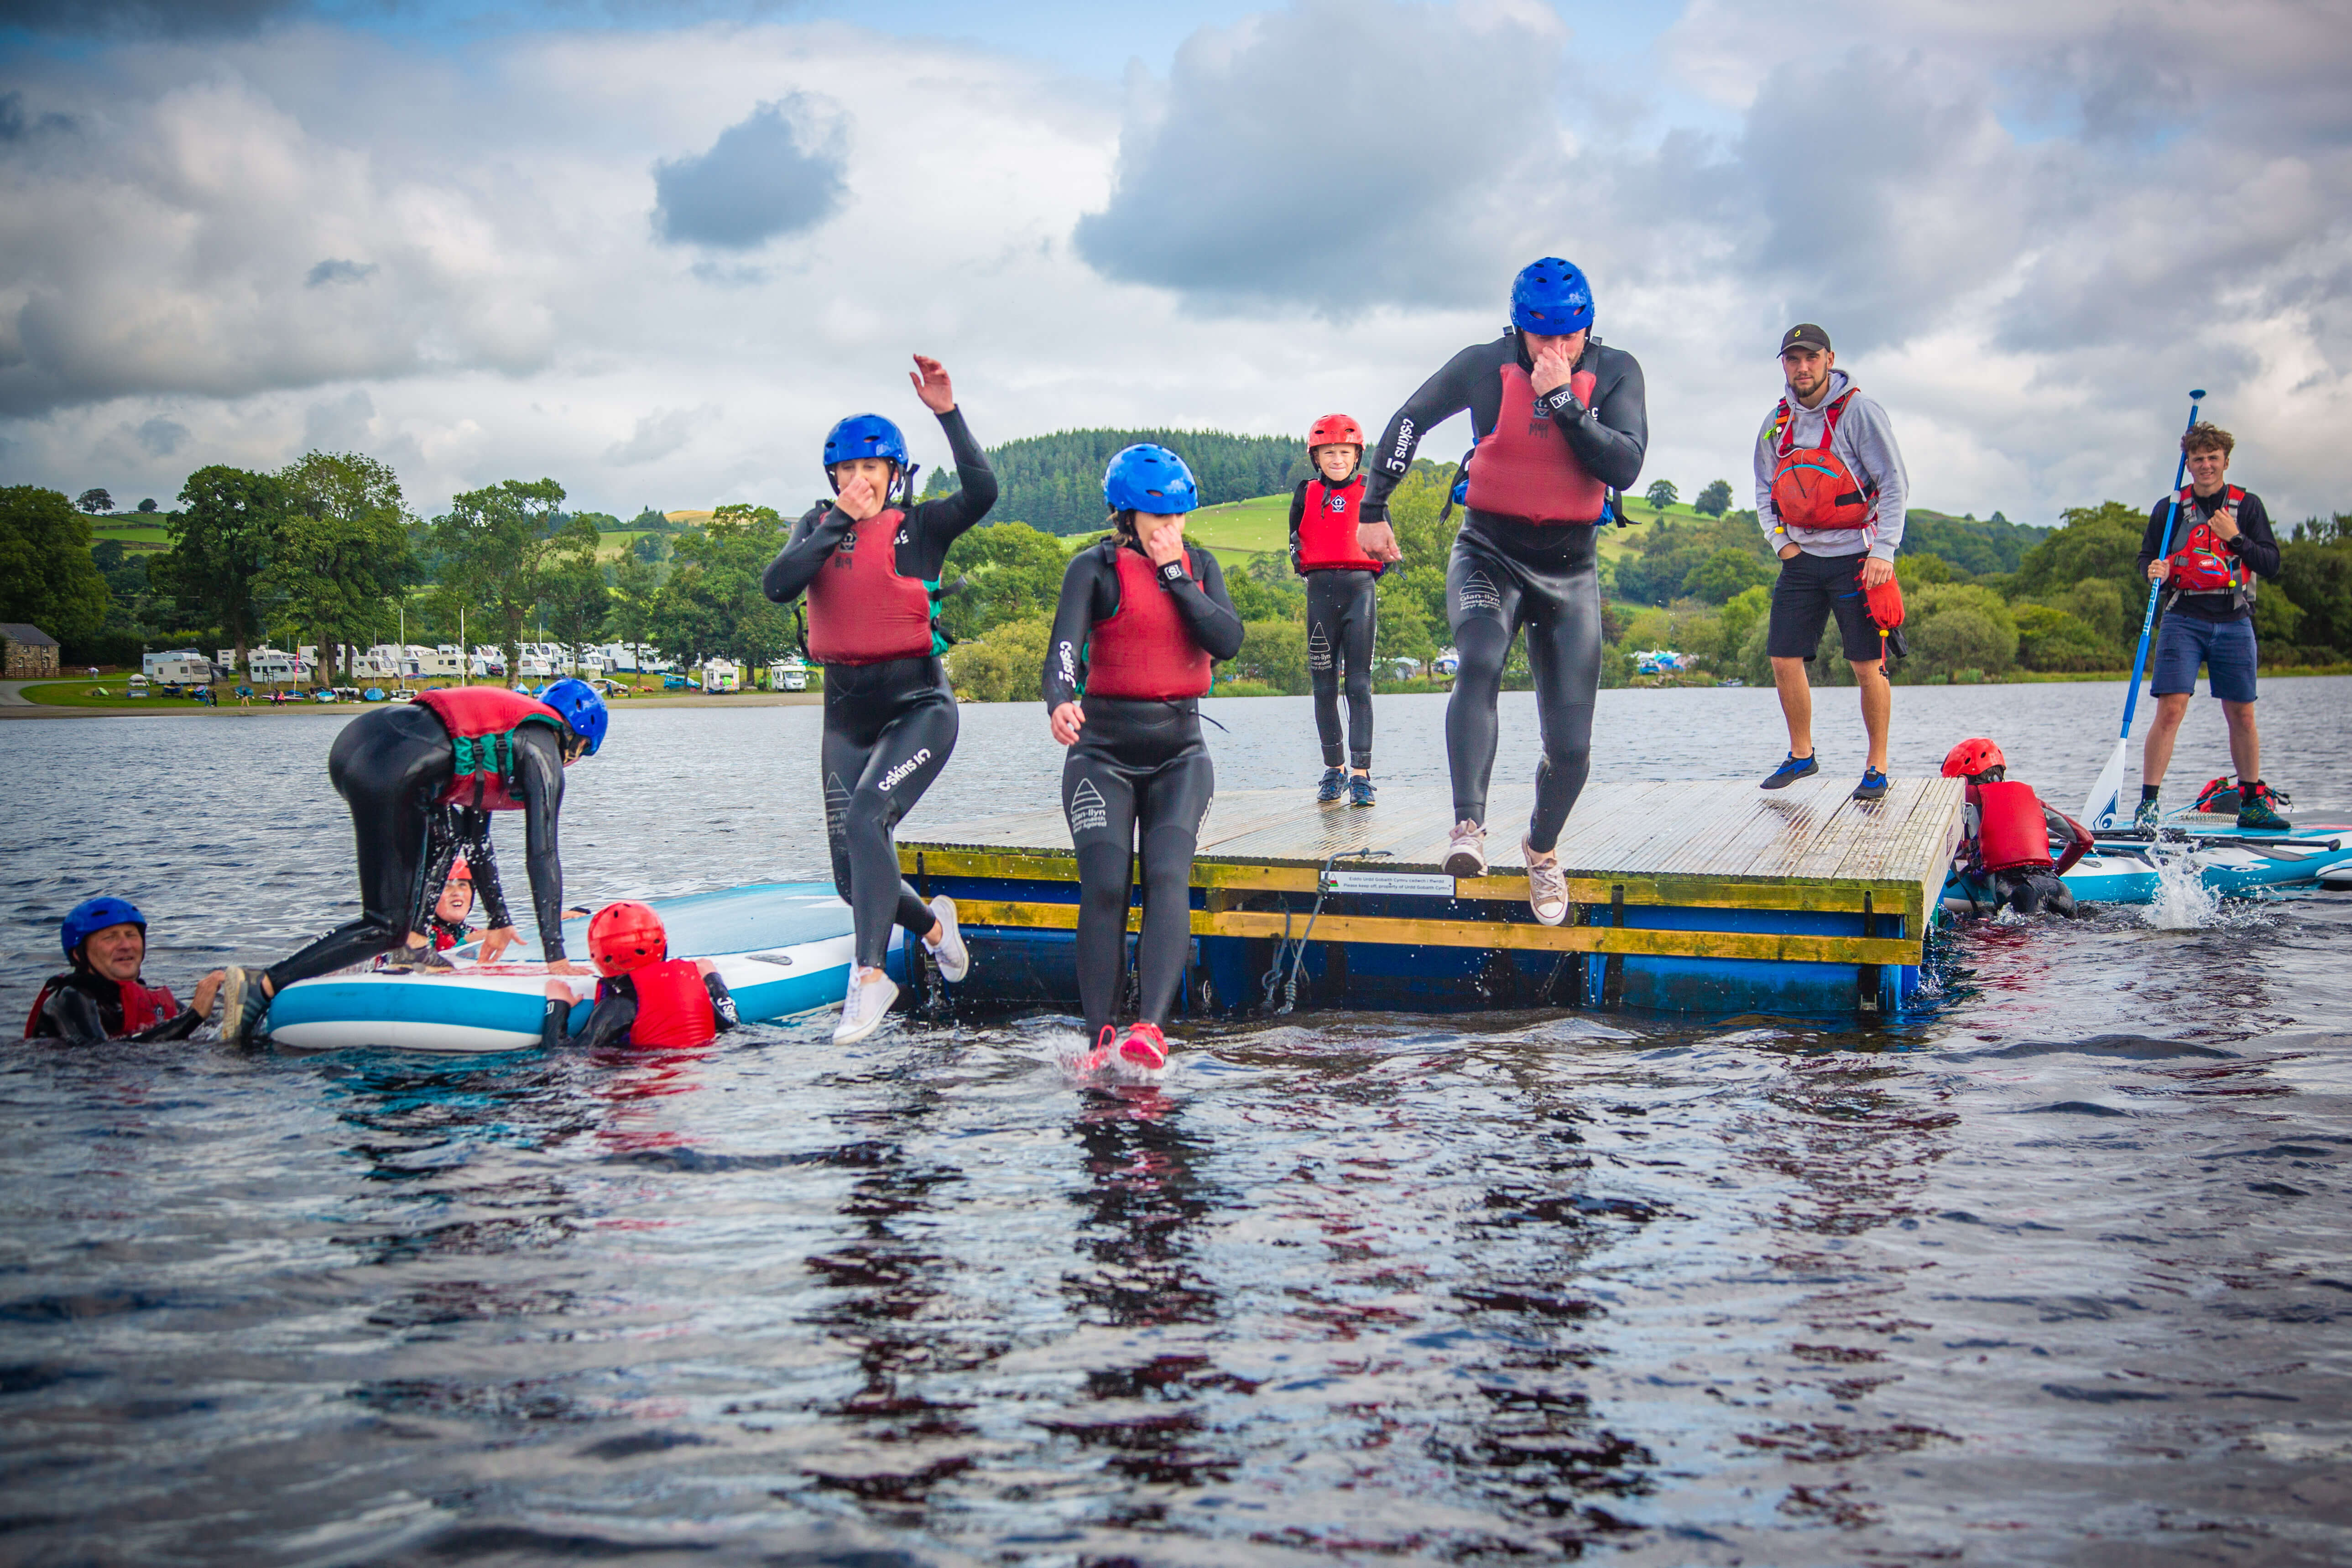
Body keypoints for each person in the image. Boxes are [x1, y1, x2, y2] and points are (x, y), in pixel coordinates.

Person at [1355, 257, 1644, 924]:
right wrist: (1372, 509)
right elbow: (1408, 419)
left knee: (1570, 748)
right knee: (1479, 660)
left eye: (1568, 337)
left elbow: (1625, 462)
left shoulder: (1617, 371)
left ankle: (1541, 852)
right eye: (1540, 338)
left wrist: (1565, 402)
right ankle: (1467, 829)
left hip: (1569, 573)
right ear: (1517, 330)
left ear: (1587, 326)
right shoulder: (1483, 365)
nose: (1554, 350)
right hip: (1487, 553)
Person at [761, 354, 982, 1044]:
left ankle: (867, 978)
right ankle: (934, 925)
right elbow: (776, 585)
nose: (858, 483)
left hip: (919, 707)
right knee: (851, 880)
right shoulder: (815, 526)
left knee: (866, 822)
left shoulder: (922, 529)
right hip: (845, 719)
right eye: (845, 474)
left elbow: (982, 488)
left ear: (896, 475)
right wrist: (834, 524)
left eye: (871, 471)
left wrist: (947, 412)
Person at [209, 677, 610, 1040]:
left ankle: (413, 945)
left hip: (373, 742)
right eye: (578, 756)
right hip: (389, 762)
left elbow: (475, 842)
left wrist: (499, 919)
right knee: (383, 925)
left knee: (446, 837)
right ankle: (262, 985)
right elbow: (542, 854)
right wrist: (555, 957)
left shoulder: (505, 741)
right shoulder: (543, 750)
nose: (570, 765)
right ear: (576, 741)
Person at [1044, 444, 1244, 1071]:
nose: (1169, 530)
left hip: (1179, 753)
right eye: (1157, 520)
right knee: (1104, 886)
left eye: (1179, 518)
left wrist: (1173, 575)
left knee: (1165, 876)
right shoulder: (1092, 569)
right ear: (1124, 516)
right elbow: (1063, 650)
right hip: (1100, 753)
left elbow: (1226, 640)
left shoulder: (1201, 565)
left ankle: (1150, 1030)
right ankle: (1100, 1038)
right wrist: (1059, 699)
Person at [1752, 323, 1909, 802]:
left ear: (1828, 359)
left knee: (1867, 666)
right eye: (1792, 359)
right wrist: (1780, 542)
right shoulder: (1776, 422)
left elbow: (1894, 483)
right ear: (1783, 364)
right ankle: (1802, 754)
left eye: (1811, 358)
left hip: (1858, 559)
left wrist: (1883, 550)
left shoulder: (1859, 412)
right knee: (1782, 657)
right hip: (1800, 558)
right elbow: (1763, 486)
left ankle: (1876, 766)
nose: (1802, 367)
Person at [2133, 421, 2287, 832]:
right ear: (2187, 463)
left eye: (2212, 458)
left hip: (2234, 618)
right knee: (2170, 709)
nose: (2205, 465)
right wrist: (2156, 570)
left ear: (2225, 461)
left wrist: (2235, 538)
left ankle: (2252, 801)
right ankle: (2148, 805)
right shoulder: (2168, 509)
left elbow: (2270, 563)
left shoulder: (2246, 506)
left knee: (2242, 714)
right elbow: (2147, 557)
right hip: (2183, 617)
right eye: (2197, 459)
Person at [1289, 413, 1380, 805]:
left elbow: (1384, 541)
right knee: (1323, 687)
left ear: (1356, 455)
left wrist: (1366, 579)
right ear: (1316, 457)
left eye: (1344, 452)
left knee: (1357, 685)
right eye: (1329, 453)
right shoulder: (1304, 492)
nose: (1337, 459)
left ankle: (1360, 774)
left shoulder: (1370, 492)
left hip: (1360, 591)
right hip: (1319, 593)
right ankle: (1333, 769)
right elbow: (1295, 538)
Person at [539, 901, 738, 1050]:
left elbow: (562, 1055)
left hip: (643, 1087)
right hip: (705, 1075)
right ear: (661, 943)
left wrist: (558, 1005)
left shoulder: (618, 1007)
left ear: (599, 954)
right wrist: (713, 980)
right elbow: (733, 1027)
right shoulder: (688, 989)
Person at [24, 897, 222, 1044]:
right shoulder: (69, 999)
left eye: (131, 935)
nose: (126, 945)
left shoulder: (147, 997)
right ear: (78, 955)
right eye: (110, 938)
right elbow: (103, 1055)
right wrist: (194, 1016)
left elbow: (208, 1025)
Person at [1941, 739, 2093, 917]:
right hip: (2059, 890)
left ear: (1962, 781)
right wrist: (2054, 871)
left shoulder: (1968, 803)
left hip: (2019, 894)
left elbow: (1960, 846)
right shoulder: (2033, 802)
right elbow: (2085, 839)